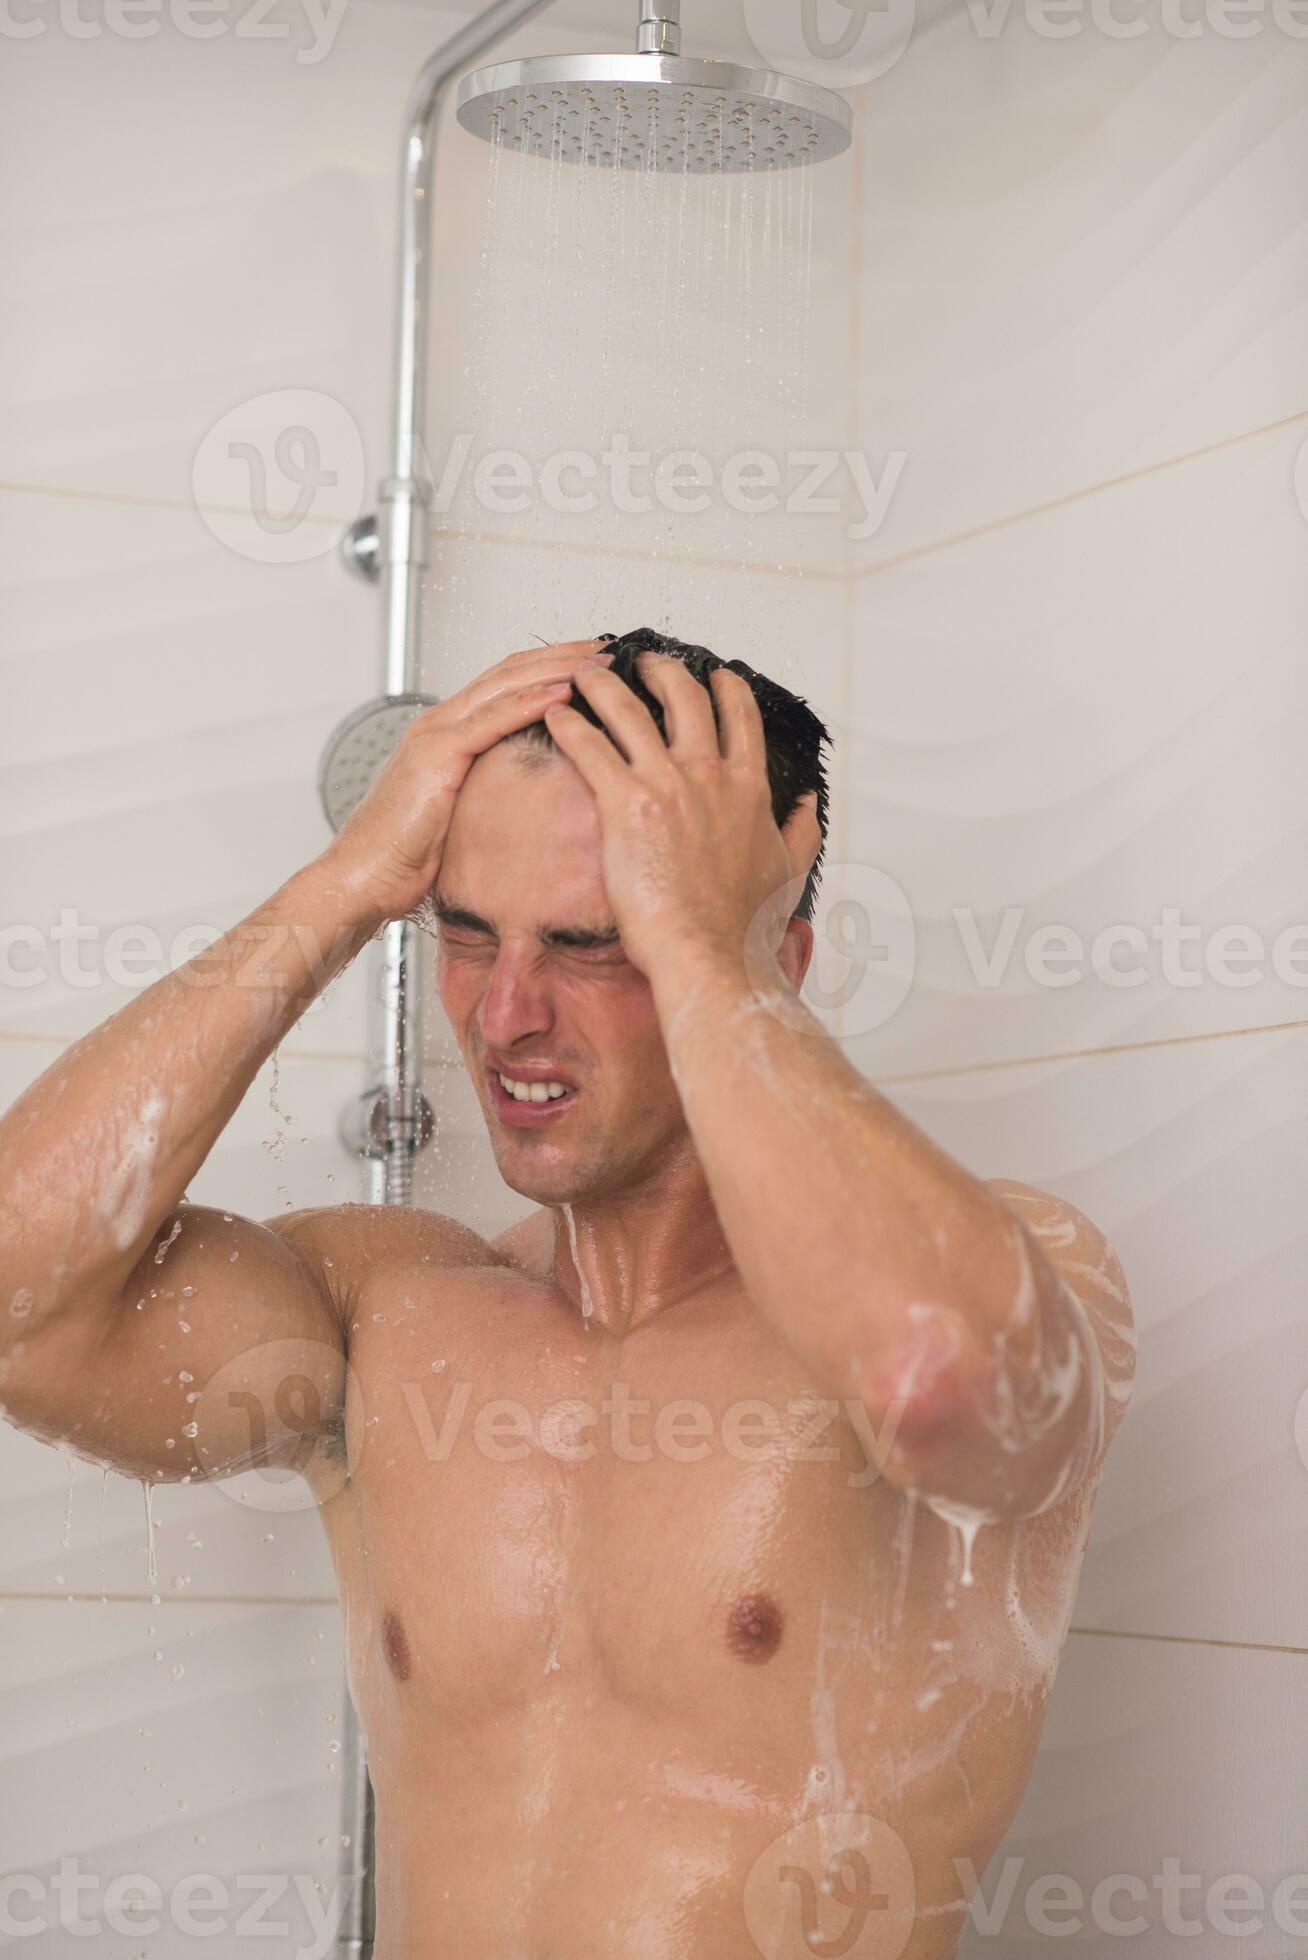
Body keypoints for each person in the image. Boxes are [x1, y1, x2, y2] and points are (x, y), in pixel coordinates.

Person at [0, 627, 1135, 1958]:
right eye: (468, 937)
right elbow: (28, 1305)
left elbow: (930, 1383)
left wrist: (711, 955)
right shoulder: (385, 1308)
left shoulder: (1022, 1272)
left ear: (783, 954)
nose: (502, 1016)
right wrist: (341, 889)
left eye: (598, 944)